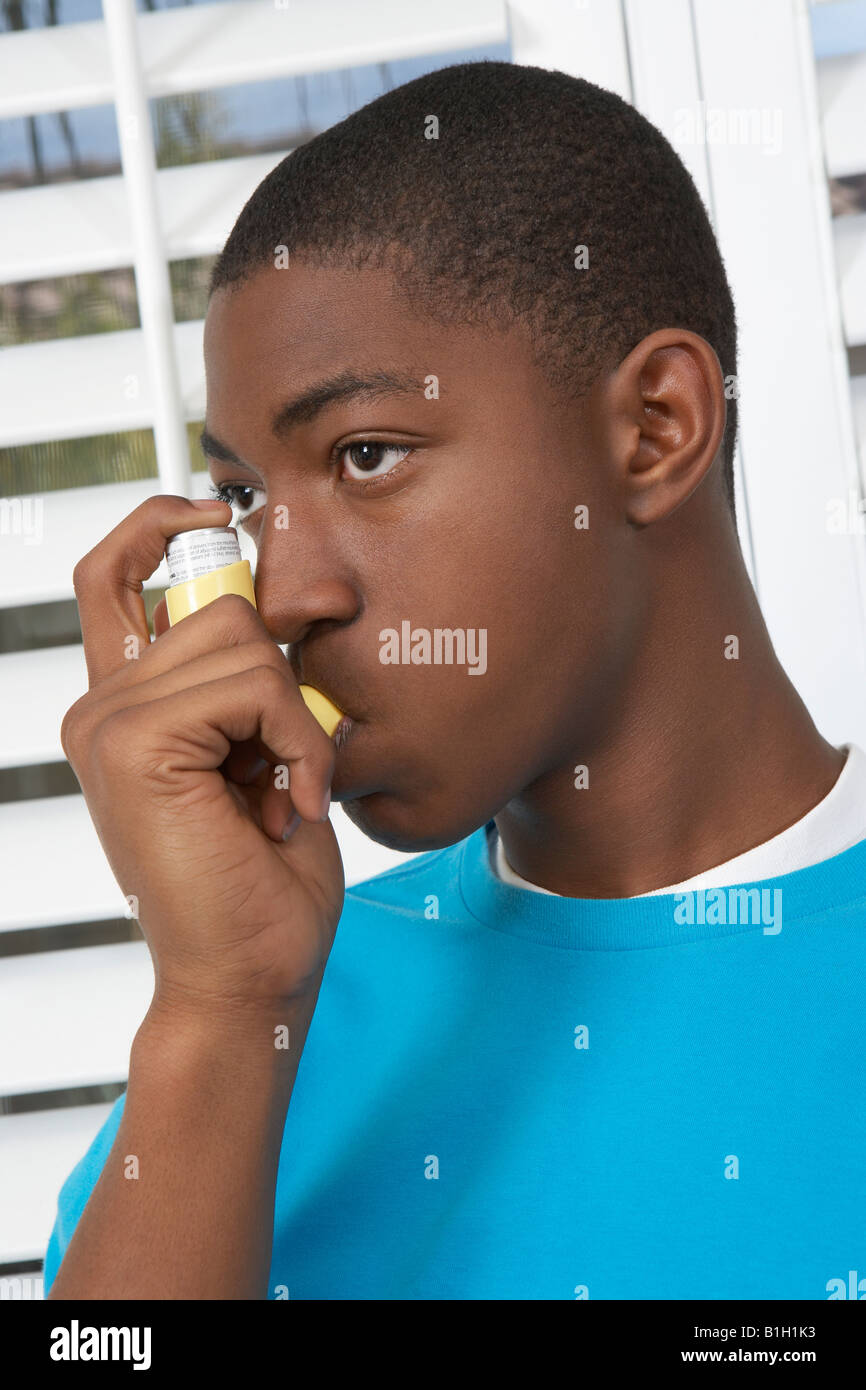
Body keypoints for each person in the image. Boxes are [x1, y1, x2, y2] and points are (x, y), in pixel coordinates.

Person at [43, 60, 866, 1300]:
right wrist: (220, 1013)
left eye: (365, 454)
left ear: (654, 428)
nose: (278, 594)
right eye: (249, 498)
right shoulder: (239, 1036)